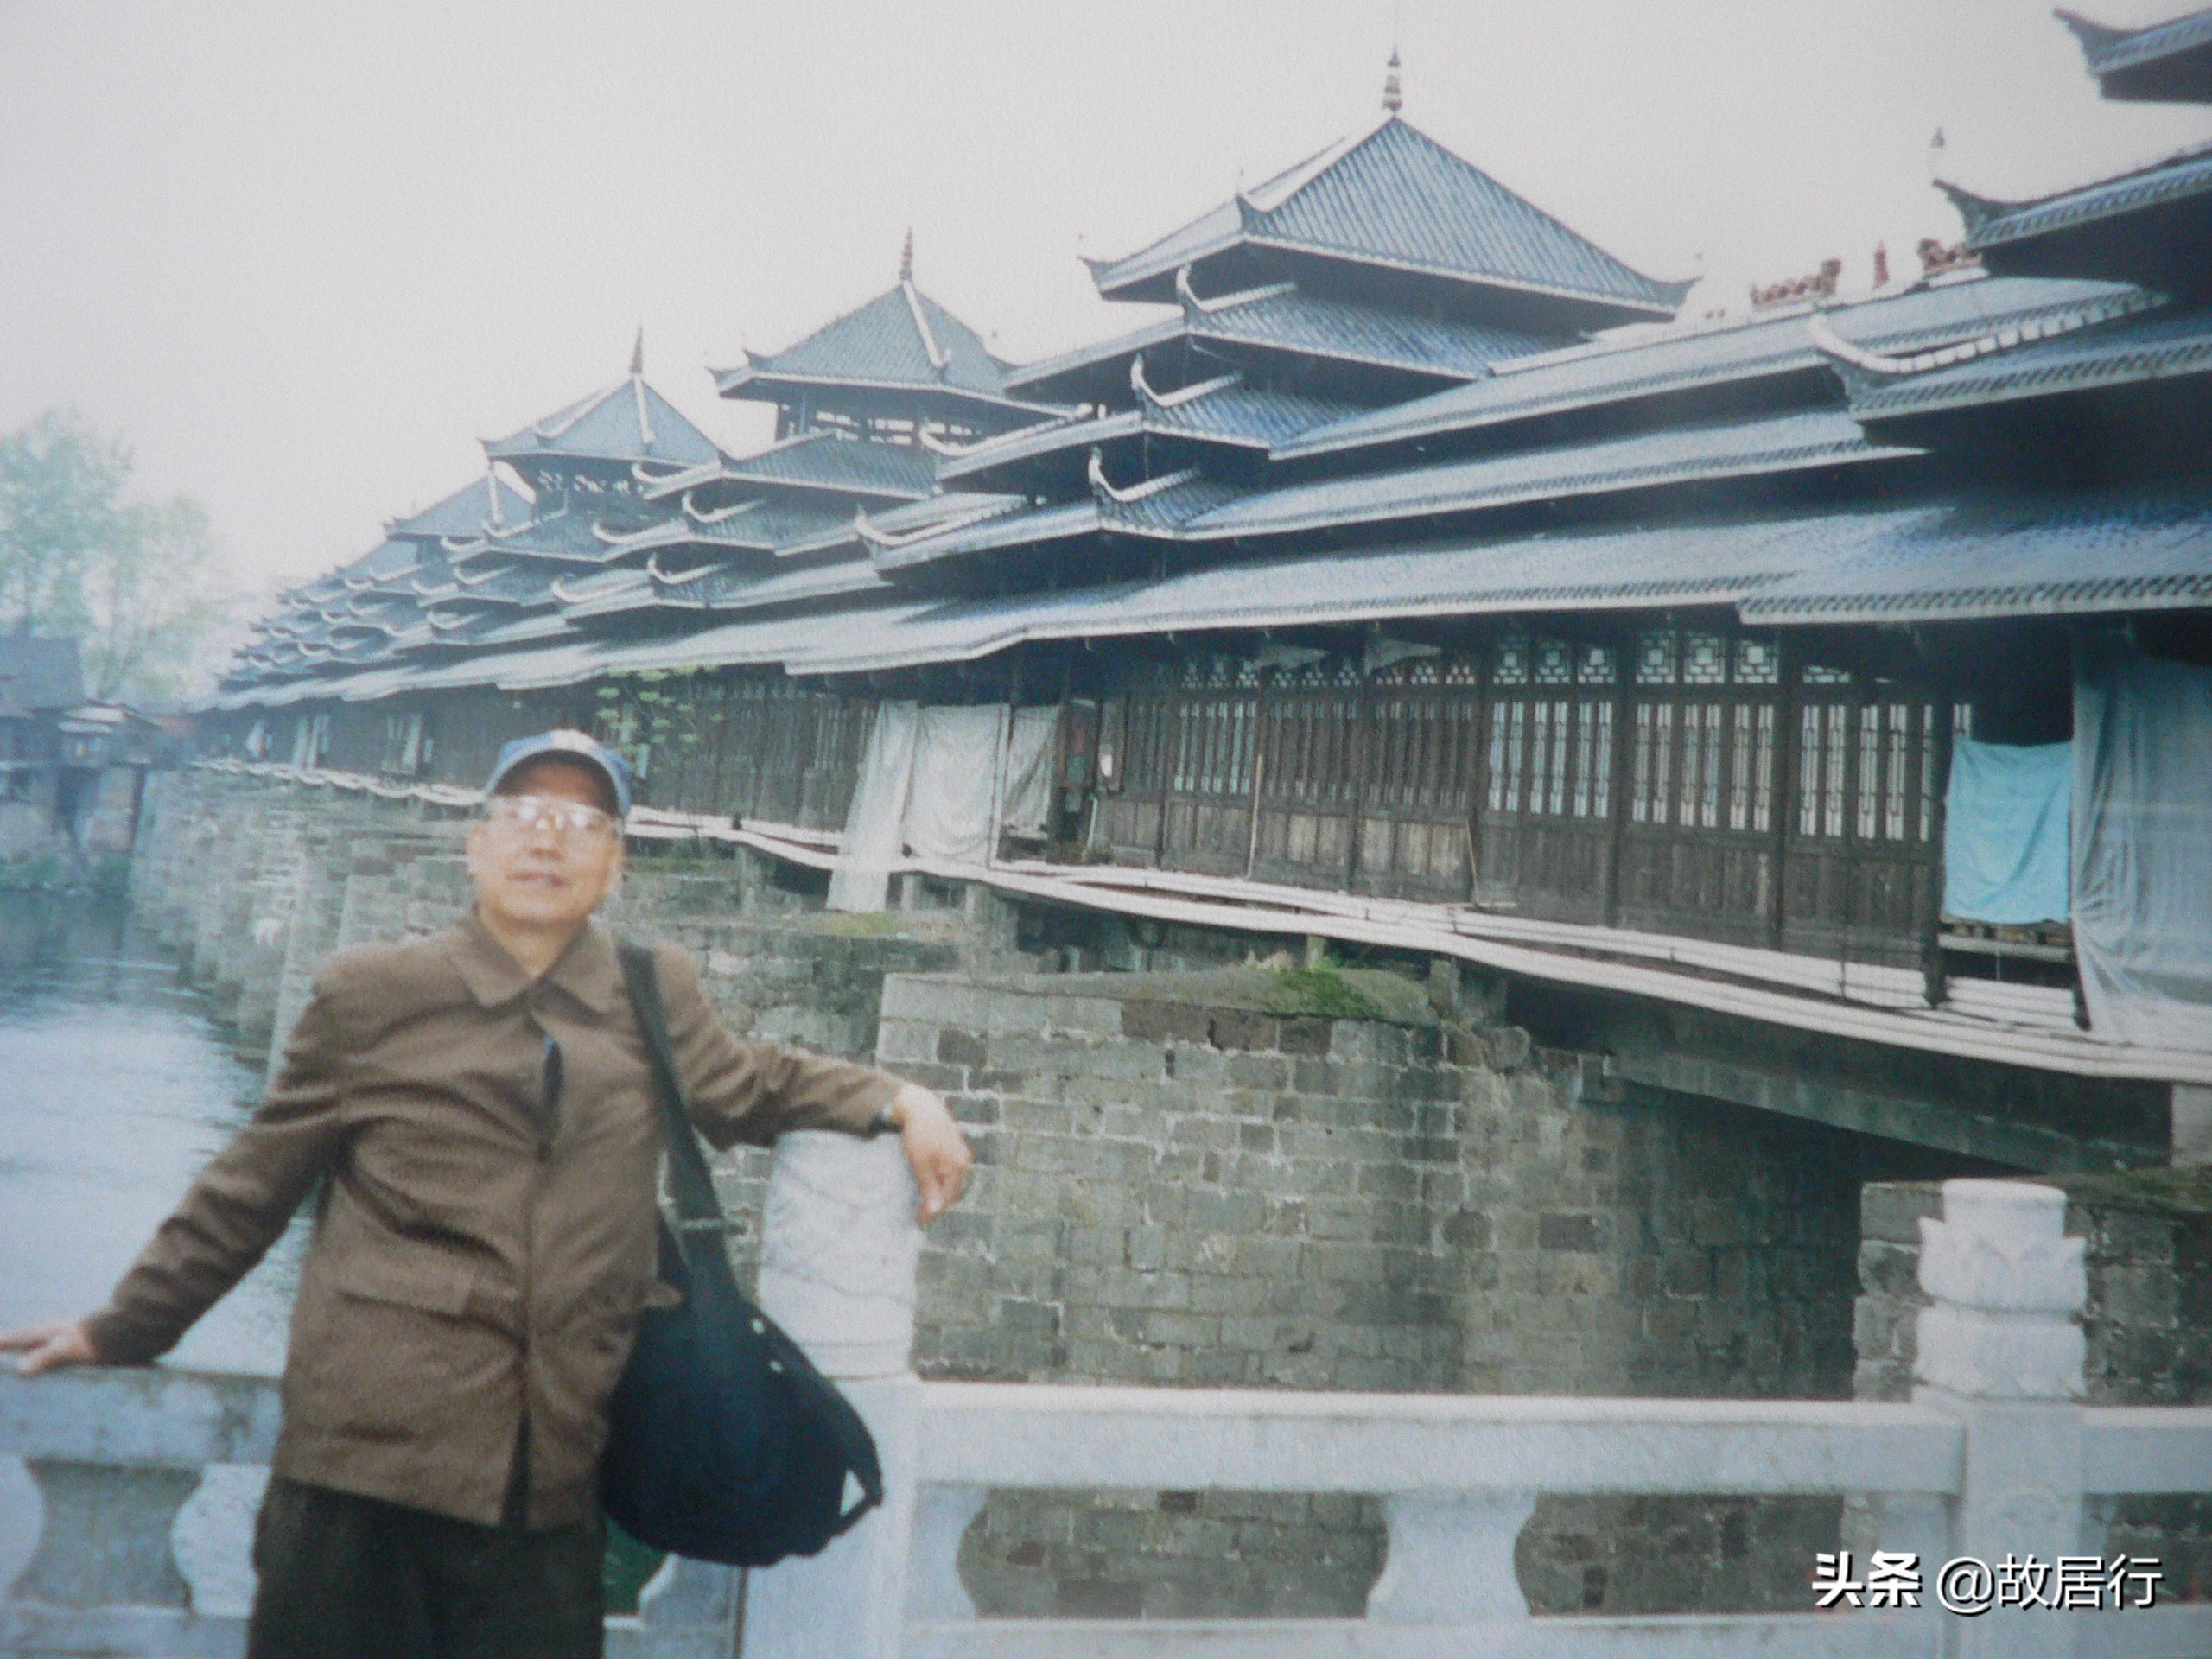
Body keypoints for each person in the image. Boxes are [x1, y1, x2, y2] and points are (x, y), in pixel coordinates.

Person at [0, 729, 973, 1659]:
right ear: (476, 847)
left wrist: (898, 1099)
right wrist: (119, 1329)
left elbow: (753, 1084)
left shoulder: (651, 993)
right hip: (357, 1482)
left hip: (546, 1497)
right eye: (521, 813)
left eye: (585, 823)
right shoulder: (372, 993)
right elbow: (247, 1189)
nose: (549, 836)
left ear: (615, 865)